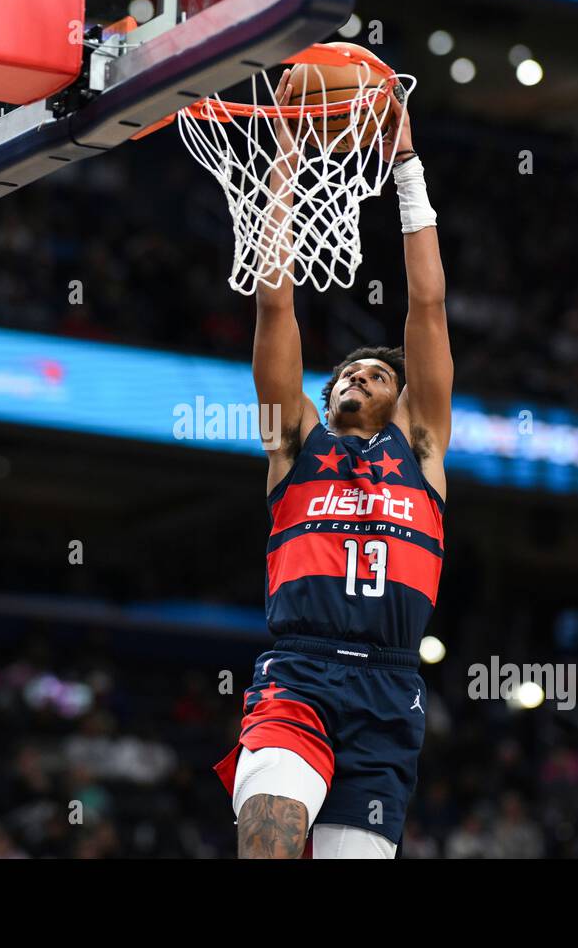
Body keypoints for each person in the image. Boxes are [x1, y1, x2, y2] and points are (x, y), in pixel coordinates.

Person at [213, 69, 453, 858]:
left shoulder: (422, 450)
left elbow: (427, 307)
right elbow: (274, 303)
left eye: (374, 374)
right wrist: (283, 161)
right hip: (299, 672)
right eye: (345, 371)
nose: (354, 376)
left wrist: (406, 165)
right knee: (271, 841)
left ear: (402, 399)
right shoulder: (295, 443)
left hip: (389, 687)